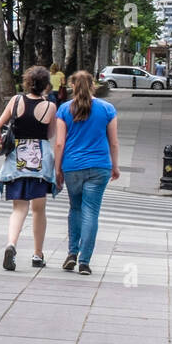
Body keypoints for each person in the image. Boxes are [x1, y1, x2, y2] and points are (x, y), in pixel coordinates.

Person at [53, 70, 119, 276]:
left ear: (72, 86)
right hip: (100, 166)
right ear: (93, 86)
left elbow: (59, 143)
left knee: (76, 209)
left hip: (72, 166)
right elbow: (114, 142)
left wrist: (57, 169)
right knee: (91, 212)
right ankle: (84, 262)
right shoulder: (107, 109)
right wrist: (115, 166)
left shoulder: (64, 109)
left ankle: (72, 253)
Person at [0, 66, 58, 271]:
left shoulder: (16, 101)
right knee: (39, 209)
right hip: (40, 160)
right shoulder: (50, 106)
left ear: (27, 82)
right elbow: (50, 134)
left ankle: (11, 244)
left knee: (18, 208)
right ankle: (37, 254)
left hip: (16, 158)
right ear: (46, 85)